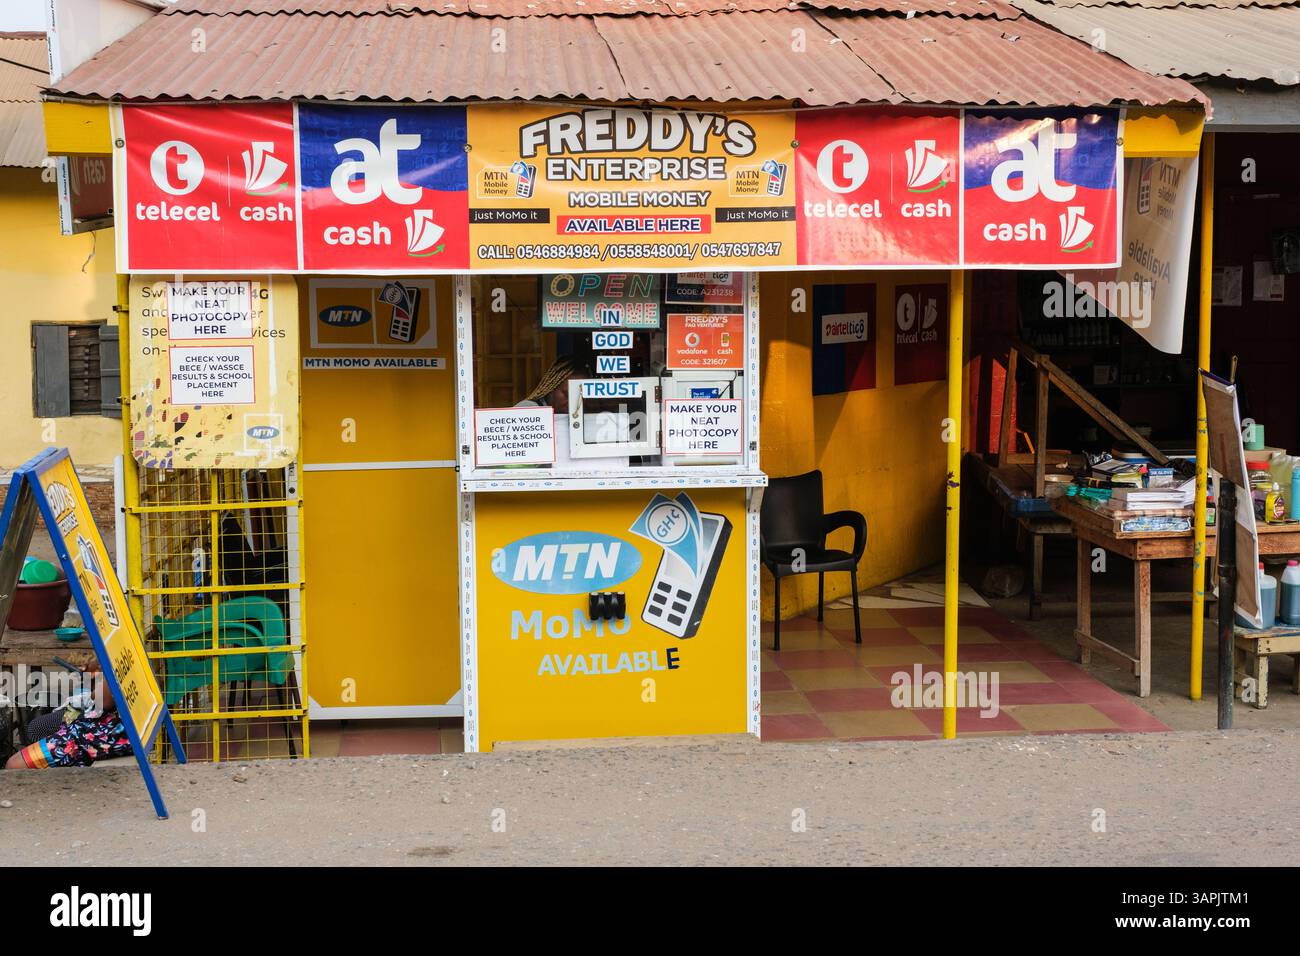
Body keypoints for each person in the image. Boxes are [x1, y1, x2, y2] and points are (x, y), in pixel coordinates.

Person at [5, 672, 132, 770]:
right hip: (103, 714)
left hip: (113, 729)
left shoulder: (124, 646)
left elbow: (104, 700)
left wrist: (95, 683)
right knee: (36, 728)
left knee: (14, 764)